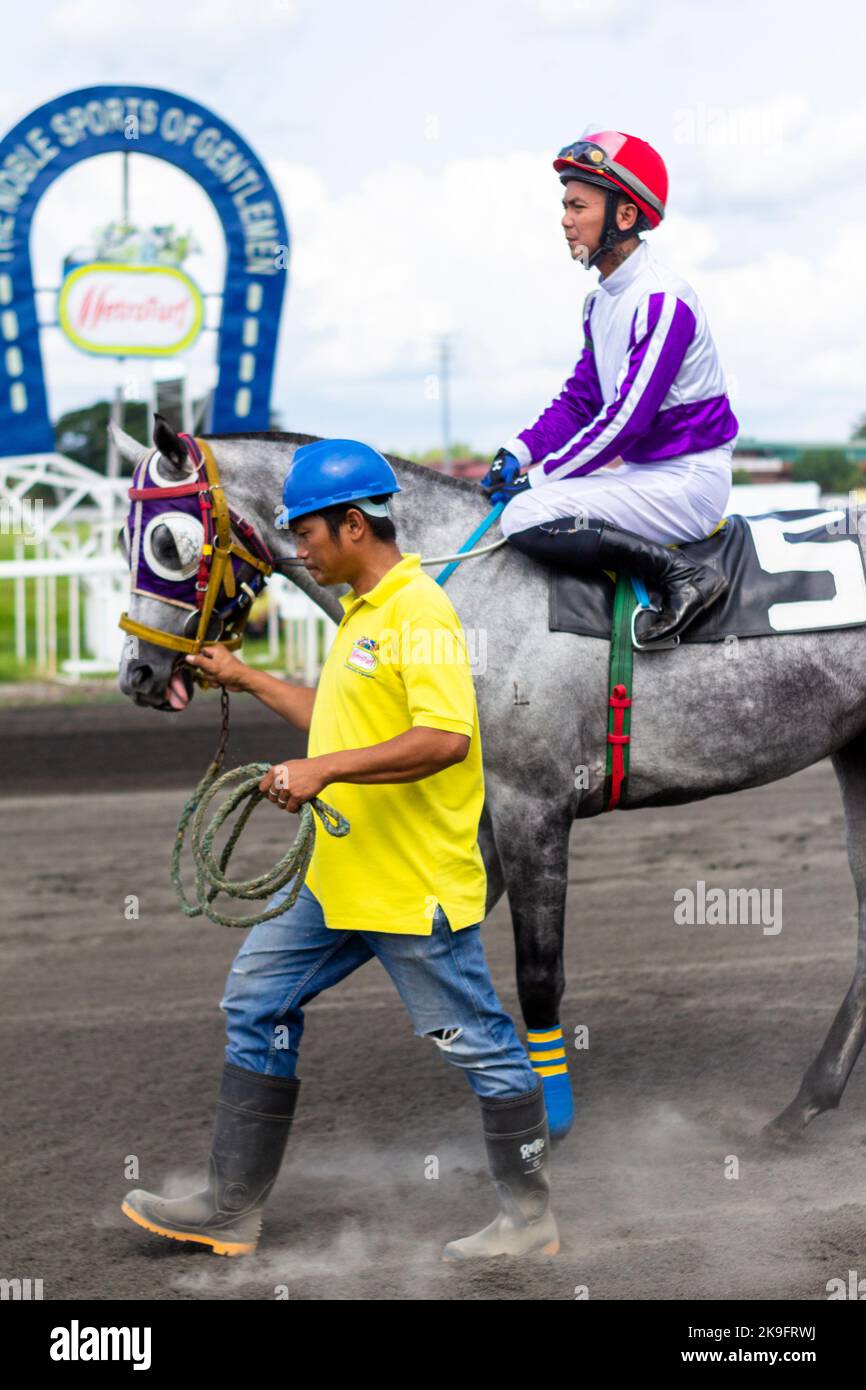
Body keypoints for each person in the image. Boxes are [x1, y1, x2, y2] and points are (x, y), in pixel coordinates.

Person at [121, 438, 559, 1262]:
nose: (297, 547)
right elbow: (342, 717)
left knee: (480, 1046)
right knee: (255, 999)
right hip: (339, 881)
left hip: (409, 890)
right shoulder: (365, 610)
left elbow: (444, 739)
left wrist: (320, 771)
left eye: (308, 532)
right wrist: (247, 679)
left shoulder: (420, 611)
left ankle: (529, 1217)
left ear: (354, 525)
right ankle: (228, 1207)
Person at [481, 129, 739, 645]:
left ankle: (684, 577)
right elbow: (581, 400)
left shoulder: (665, 300)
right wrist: (518, 450)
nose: (565, 219)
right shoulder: (600, 303)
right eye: (564, 205)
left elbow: (626, 420)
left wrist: (542, 477)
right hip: (646, 477)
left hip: (688, 482)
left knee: (526, 512)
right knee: (526, 503)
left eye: (579, 206)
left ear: (624, 216)